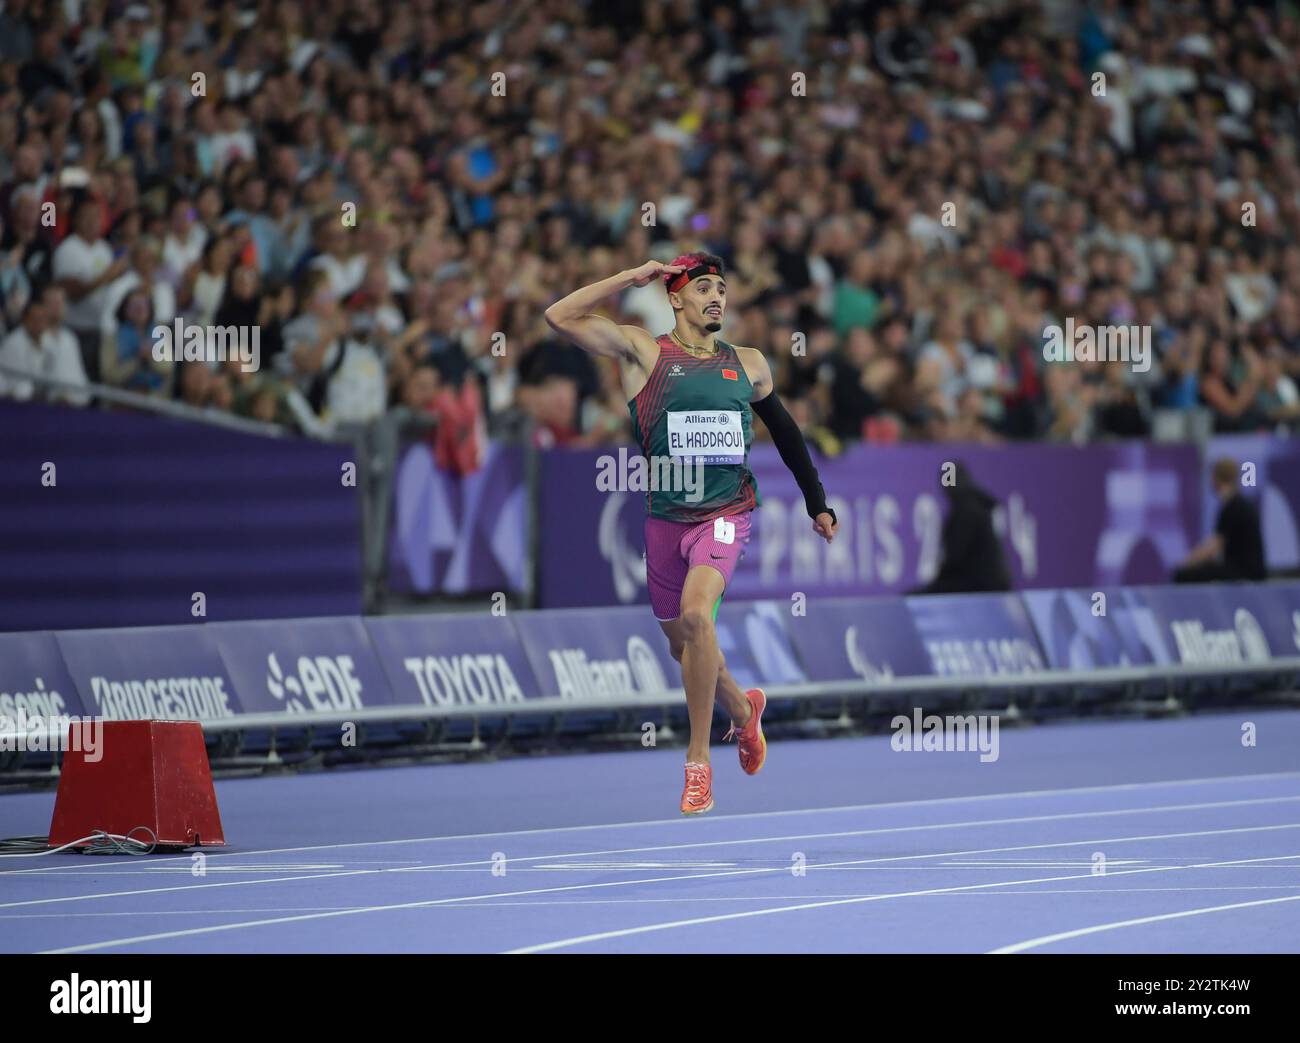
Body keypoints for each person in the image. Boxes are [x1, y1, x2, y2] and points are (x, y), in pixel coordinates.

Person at [546, 253, 838, 814]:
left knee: (698, 616)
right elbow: (558, 315)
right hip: (664, 521)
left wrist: (816, 501)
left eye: (722, 290)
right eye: (704, 288)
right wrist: (629, 279)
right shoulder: (644, 351)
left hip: (725, 514)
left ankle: (698, 763)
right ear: (675, 298)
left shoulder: (747, 363)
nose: (717, 298)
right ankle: (744, 711)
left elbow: (785, 431)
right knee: (685, 644)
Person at [913, 461, 1011, 594]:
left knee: (917, 596)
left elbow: (955, 559)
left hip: (980, 585)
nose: (946, 489)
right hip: (986, 583)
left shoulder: (967, 512)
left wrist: (938, 582)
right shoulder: (973, 507)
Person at [1174, 457, 1267, 583]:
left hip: (1245, 571)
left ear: (1217, 478)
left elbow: (1214, 546)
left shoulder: (1232, 507)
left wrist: (1187, 562)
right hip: (1248, 568)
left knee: (1184, 575)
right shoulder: (1239, 503)